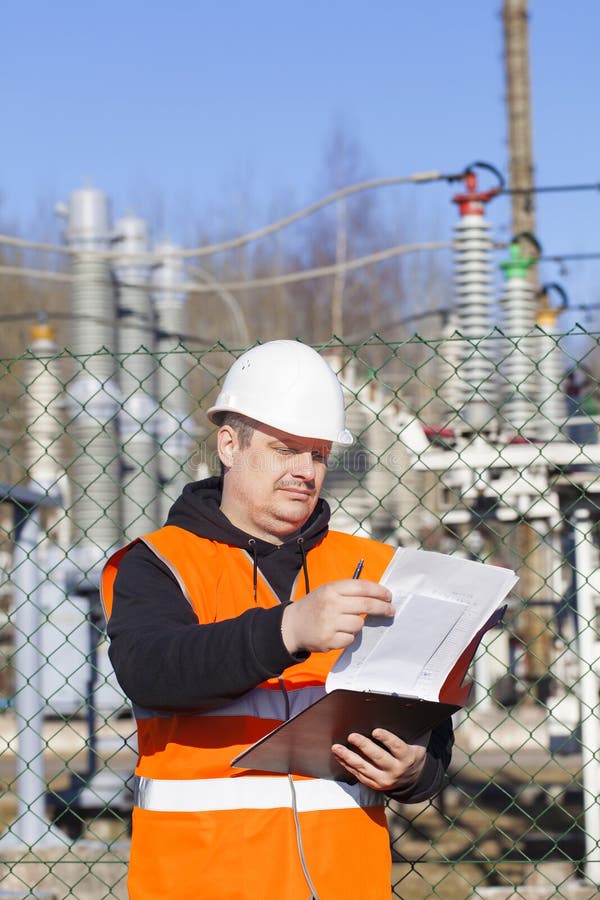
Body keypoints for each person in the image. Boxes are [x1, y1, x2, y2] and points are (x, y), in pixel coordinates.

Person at [102, 340, 454, 900]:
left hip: (347, 885)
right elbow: (151, 670)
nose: (304, 471)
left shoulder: (375, 567)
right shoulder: (160, 562)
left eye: (316, 454)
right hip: (202, 883)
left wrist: (416, 771)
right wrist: (287, 630)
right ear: (229, 445)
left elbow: (425, 723)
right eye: (284, 449)